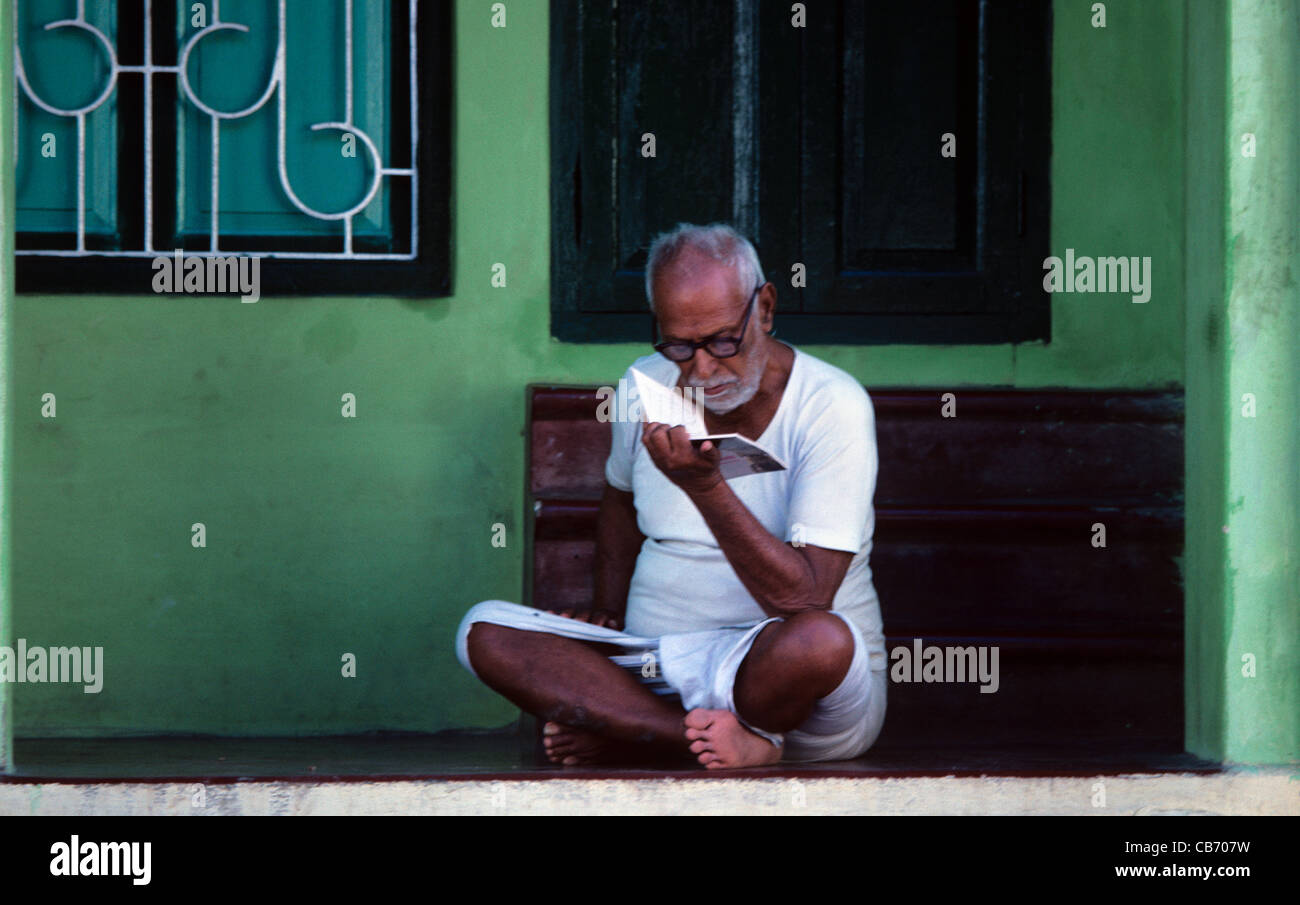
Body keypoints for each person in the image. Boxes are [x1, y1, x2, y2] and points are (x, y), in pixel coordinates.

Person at [456, 223, 887, 768]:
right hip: (655, 673)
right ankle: (691, 738)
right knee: (483, 630)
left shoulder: (831, 404)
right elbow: (619, 502)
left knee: (819, 641)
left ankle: (638, 731)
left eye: (723, 341)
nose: (703, 368)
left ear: (767, 308)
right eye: (680, 345)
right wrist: (608, 613)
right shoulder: (645, 383)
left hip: (788, 691)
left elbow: (806, 602)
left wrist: (705, 486)